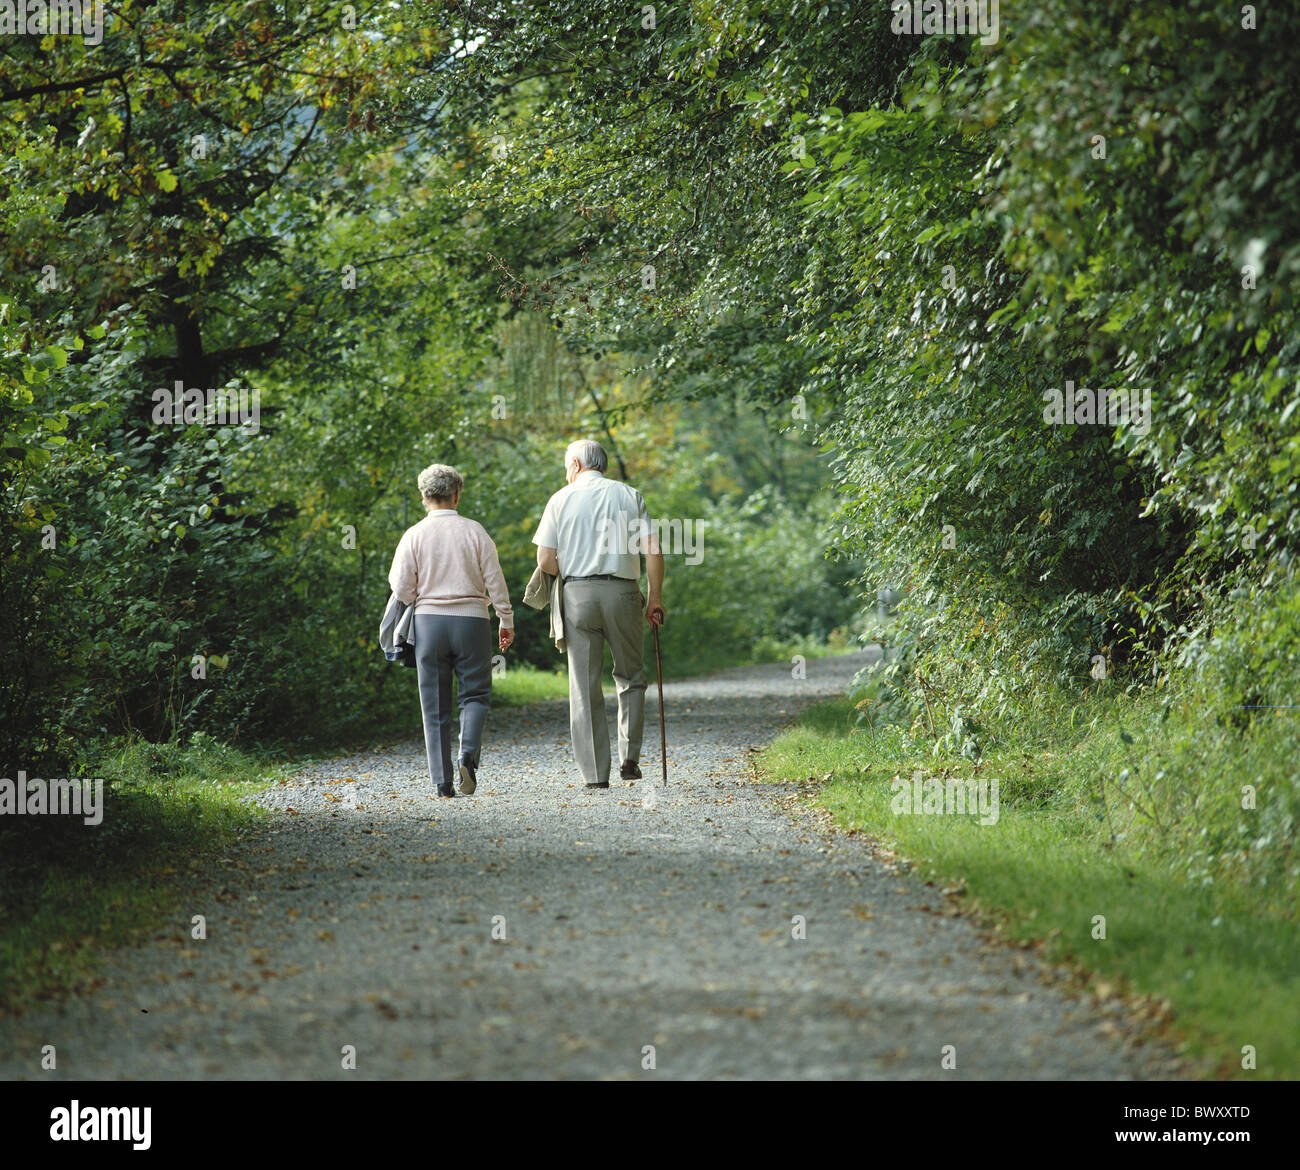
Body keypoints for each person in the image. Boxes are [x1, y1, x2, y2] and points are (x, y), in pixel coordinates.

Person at [532, 440, 665, 789]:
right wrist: (654, 599)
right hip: (622, 593)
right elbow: (653, 550)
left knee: (584, 685)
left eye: (565, 465)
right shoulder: (629, 495)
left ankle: (594, 774)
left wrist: (575, 565)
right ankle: (629, 757)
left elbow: (545, 560)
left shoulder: (560, 499)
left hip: (577, 595)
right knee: (630, 675)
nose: (565, 471)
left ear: (576, 464)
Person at [388, 463, 514, 798]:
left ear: (424, 497)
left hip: (429, 625)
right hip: (472, 621)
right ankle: (467, 756)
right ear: (457, 495)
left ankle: (443, 783)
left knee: (434, 704)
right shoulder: (475, 532)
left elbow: (401, 589)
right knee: (474, 695)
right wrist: (506, 618)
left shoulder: (413, 535)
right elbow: (495, 581)